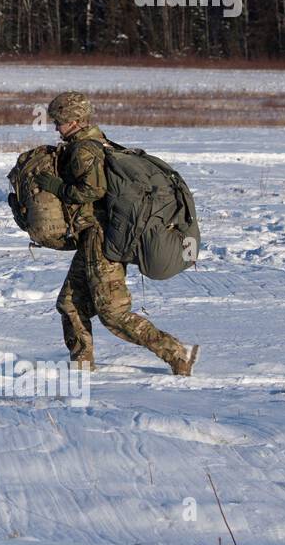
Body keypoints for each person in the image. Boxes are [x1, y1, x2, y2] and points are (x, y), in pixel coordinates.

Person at [34, 91, 199, 376]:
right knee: (70, 304)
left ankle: (177, 353)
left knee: (112, 313)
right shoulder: (99, 141)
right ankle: (81, 367)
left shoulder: (84, 149)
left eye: (59, 121)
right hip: (94, 236)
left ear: (73, 120)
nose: (55, 127)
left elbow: (91, 191)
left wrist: (54, 186)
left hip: (101, 237)